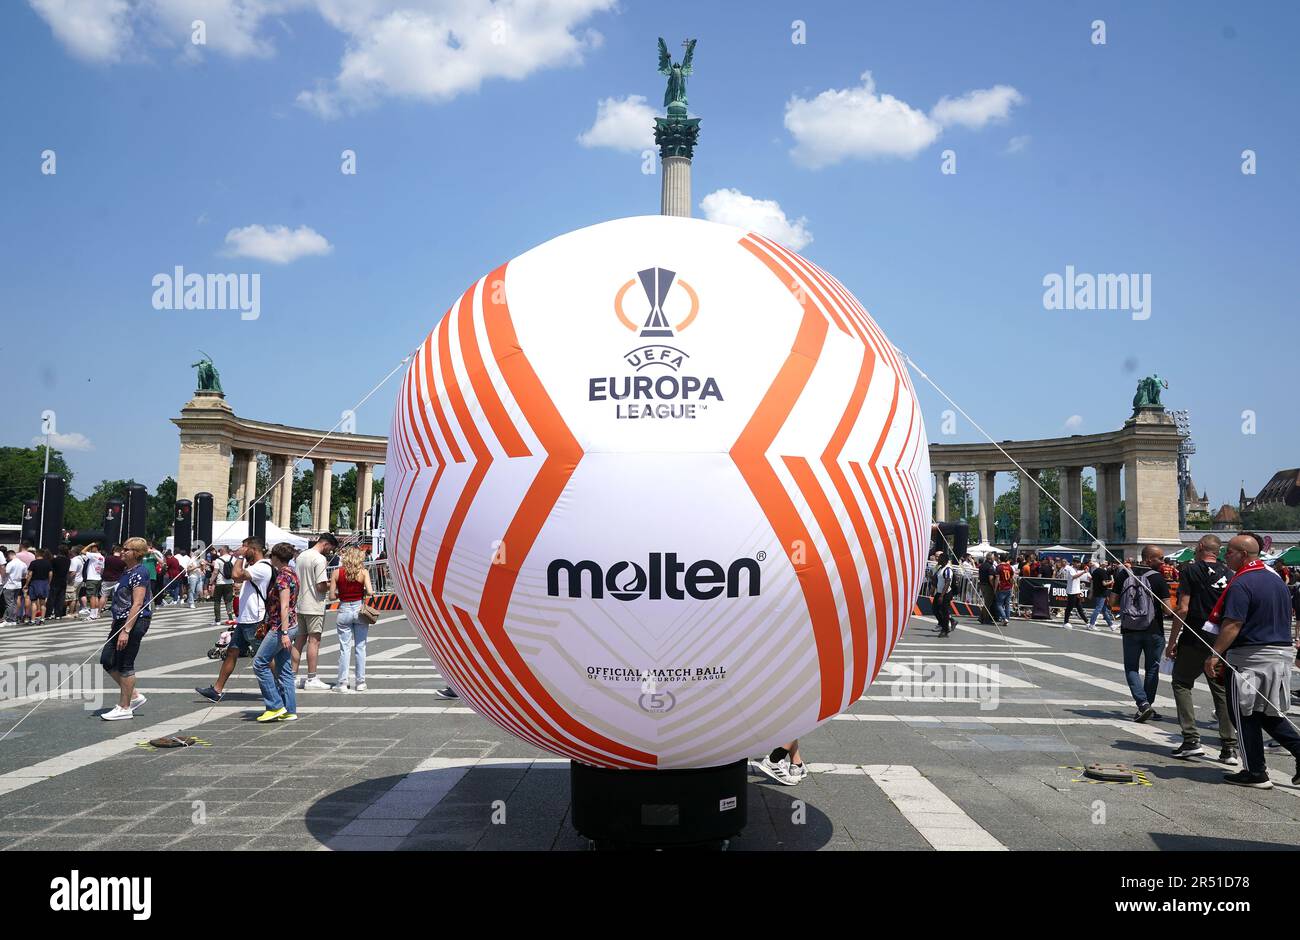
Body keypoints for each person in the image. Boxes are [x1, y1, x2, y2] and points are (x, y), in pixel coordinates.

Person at [1205, 533, 1300, 788]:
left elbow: (1233, 624)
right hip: (1279, 654)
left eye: (1231, 553)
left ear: (1243, 555)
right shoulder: (1276, 579)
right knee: (1268, 713)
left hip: (1250, 657)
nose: (1226, 556)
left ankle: (1255, 771)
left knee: (1243, 714)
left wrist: (1215, 654)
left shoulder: (1241, 583)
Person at [1167, 534, 1238, 764]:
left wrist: (1172, 641)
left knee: (1181, 682)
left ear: (1199, 547)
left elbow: (1184, 608)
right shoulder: (1230, 573)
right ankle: (1229, 748)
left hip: (1195, 637)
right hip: (1221, 640)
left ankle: (1191, 740)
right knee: (1221, 691)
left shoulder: (1190, 570)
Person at [196, 538, 273, 703]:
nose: (242, 549)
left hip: (255, 619)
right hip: (245, 618)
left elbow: (236, 575)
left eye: (245, 547)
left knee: (265, 656)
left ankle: (282, 685)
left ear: (254, 548)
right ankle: (216, 690)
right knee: (232, 652)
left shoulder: (262, 567)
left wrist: (239, 557)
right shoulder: (254, 567)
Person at [1111, 544, 1170, 723]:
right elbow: (1168, 610)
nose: (1162, 561)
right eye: (1159, 558)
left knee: (1131, 668)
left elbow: (1112, 601)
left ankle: (1143, 704)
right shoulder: (1158, 578)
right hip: (1153, 629)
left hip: (1130, 628)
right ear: (1148, 559)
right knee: (1152, 668)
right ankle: (1147, 705)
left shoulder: (1123, 575)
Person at [97, 537, 153, 720]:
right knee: (107, 659)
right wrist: (116, 624)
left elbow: (137, 604)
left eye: (126, 549)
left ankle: (125, 707)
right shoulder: (127, 571)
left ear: (136, 553)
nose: (122, 552)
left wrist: (126, 631)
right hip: (120, 621)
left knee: (125, 664)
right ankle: (134, 695)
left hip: (135, 622)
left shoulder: (140, 572)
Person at [251, 542, 300, 723]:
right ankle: (289, 709)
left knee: (260, 663)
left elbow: (284, 605)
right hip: (291, 624)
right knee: (284, 668)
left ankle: (275, 705)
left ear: (276, 558)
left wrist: (285, 632)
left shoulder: (282, 578)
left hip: (281, 627)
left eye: (271, 556)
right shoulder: (292, 573)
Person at [292, 533, 338, 691]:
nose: (330, 552)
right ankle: (312, 678)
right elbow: (320, 586)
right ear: (326, 544)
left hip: (300, 604)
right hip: (314, 605)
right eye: (330, 549)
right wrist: (331, 584)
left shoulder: (301, 556)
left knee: (298, 641)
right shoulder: (319, 559)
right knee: (314, 641)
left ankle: (292, 676)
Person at [331, 546, 373, 692]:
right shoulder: (363, 572)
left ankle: (342, 683)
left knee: (344, 648)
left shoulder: (337, 573)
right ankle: (360, 682)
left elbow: (331, 596)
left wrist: (340, 594)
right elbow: (370, 591)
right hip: (359, 609)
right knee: (361, 647)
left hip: (343, 609)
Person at [1087, 560, 1117, 631]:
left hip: (1097, 592)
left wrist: (1091, 592)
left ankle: (1111, 625)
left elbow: (1092, 582)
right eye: (1106, 563)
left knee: (1104, 610)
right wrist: (1111, 581)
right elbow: (1104, 583)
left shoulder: (1095, 571)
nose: (1107, 564)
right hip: (1102, 592)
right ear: (1103, 565)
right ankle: (1091, 624)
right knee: (1098, 609)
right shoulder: (1102, 572)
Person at [25, 548, 53, 625]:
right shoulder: (48, 563)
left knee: (33, 602)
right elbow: (50, 573)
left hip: (34, 583)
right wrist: (49, 583)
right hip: (44, 583)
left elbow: (30, 574)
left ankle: (33, 620)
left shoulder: (33, 563)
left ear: (37, 554)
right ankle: (42, 620)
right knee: (43, 603)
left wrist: (26, 584)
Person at [932, 552, 956, 637]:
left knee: (944, 612)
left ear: (945, 560)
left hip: (945, 594)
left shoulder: (948, 569)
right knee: (935, 610)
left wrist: (942, 596)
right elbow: (937, 580)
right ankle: (944, 626)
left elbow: (947, 582)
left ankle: (945, 630)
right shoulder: (940, 568)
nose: (938, 559)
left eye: (940, 558)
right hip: (939, 592)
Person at [210, 545, 235, 623]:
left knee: (217, 601)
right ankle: (230, 618)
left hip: (220, 582)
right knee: (229, 601)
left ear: (224, 551)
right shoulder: (233, 559)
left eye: (220, 550)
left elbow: (215, 572)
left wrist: (211, 582)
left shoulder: (218, 560)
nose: (219, 552)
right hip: (230, 582)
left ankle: (217, 620)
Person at [1061, 558, 1087, 629]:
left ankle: (1087, 622)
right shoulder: (1071, 569)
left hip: (1076, 592)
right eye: (1077, 563)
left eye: (1079, 563)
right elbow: (1074, 577)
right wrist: (1083, 572)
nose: (1079, 564)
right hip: (1072, 592)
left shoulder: (1076, 570)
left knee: (1079, 608)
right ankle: (1065, 622)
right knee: (1069, 608)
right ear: (1074, 563)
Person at [3, 549, 27, 625]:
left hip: (9, 585)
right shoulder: (23, 564)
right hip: (18, 585)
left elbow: (5, 573)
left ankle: (9, 619)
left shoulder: (11, 563)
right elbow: (24, 575)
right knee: (14, 602)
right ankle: (13, 619)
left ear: (9, 555)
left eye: (7, 557)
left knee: (9, 603)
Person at [82, 543, 105, 620]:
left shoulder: (93, 555)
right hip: (98, 577)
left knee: (91, 596)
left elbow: (83, 551)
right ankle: (95, 614)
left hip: (91, 578)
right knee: (95, 596)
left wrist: (89, 545)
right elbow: (102, 569)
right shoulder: (102, 557)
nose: (91, 549)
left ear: (95, 548)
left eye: (92, 548)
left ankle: (92, 615)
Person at [48, 544, 70, 620]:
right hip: (63, 580)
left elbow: (51, 570)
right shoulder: (68, 560)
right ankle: (58, 614)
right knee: (60, 598)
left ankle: (49, 613)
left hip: (55, 580)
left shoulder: (55, 560)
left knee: (52, 597)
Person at [994, 553, 1014, 625]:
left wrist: (995, 588)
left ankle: (1004, 617)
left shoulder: (999, 567)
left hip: (1001, 587)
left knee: (999, 604)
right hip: (1008, 587)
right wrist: (1011, 586)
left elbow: (997, 578)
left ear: (1000, 558)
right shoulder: (1009, 567)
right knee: (1007, 604)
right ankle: (1007, 618)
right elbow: (1011, 578)